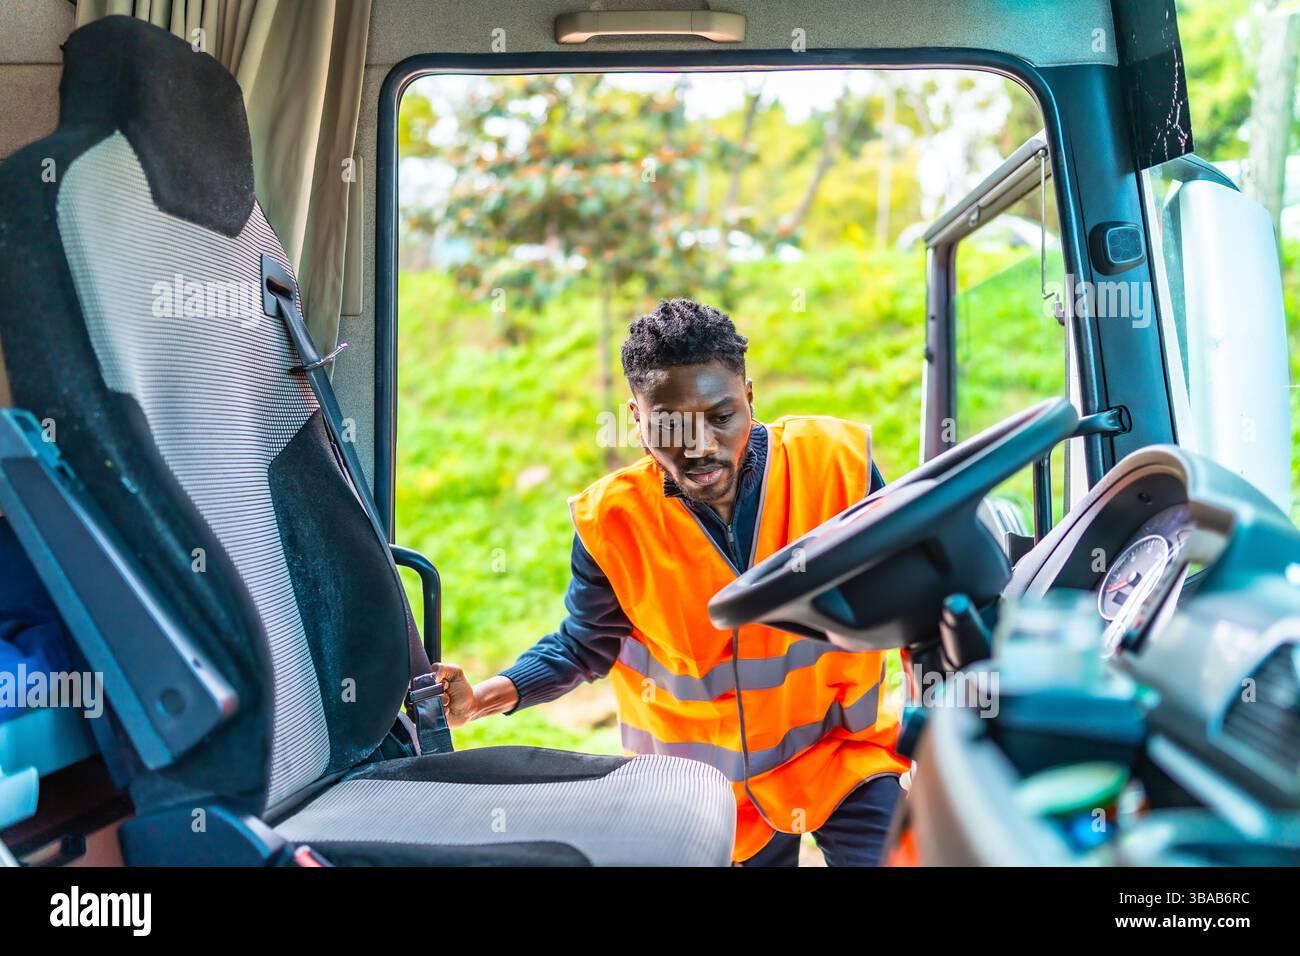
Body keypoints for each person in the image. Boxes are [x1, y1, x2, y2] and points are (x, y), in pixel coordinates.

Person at [435, 298, 909, 865]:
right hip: (706, 790)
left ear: (750, 401)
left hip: (837, 755)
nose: (701, 446)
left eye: (721, 416)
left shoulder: (837, 465)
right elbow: (585, 643)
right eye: (670, 425)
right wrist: (481, 699)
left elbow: (906, 585)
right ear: (637, 422)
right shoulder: (611, 521)